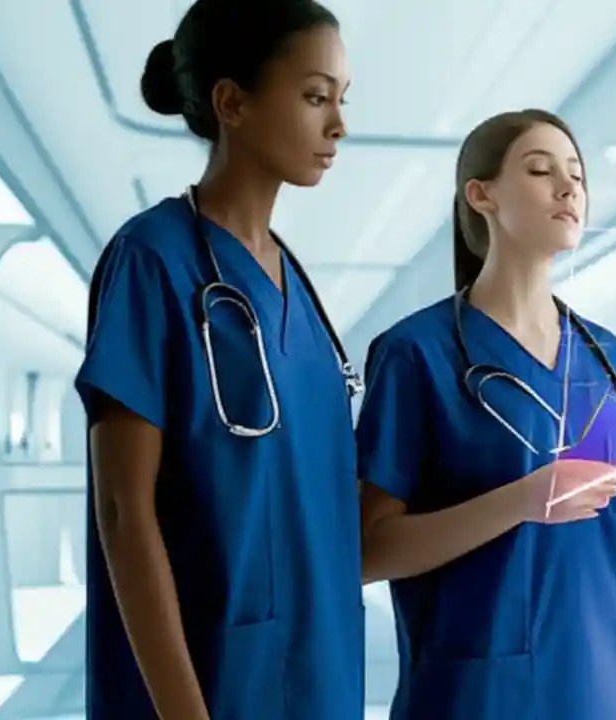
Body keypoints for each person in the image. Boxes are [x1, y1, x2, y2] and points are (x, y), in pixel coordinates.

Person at [354, 109, 616, 720]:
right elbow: (369, 551)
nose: (568, 188)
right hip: (481, 693)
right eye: (541, 171)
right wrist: (521, 500)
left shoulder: (612, 360)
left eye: (577, 176)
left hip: (611, 686)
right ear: (481, 195)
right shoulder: (417, 354)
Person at [74, 2, 363, 718]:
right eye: (315, 96)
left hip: (321, 672)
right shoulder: (154, 260)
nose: (338, 126)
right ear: (231, 102)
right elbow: (122, 507)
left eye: (341, 101)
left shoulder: (294, 283)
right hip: (210, 680)